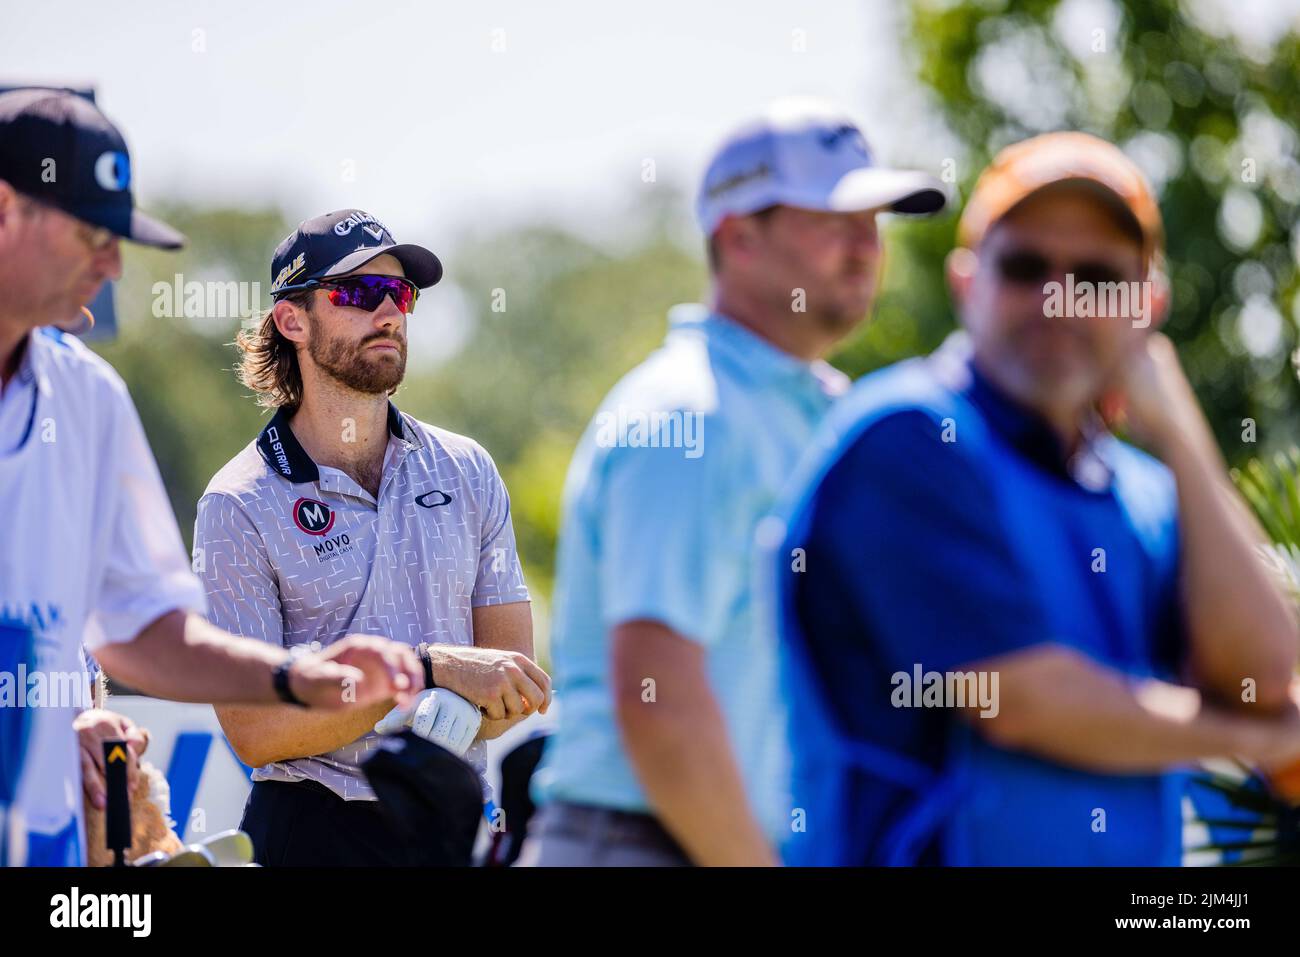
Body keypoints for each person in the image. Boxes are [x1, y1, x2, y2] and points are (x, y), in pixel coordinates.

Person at [767, 131, 1300, 865]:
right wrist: (1261, 743)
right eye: (1024, 266)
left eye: (1096, 276)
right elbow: (1019, 700)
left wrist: (1182, 439)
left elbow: (1265, 676)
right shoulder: (910, 439)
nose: (1059, 298)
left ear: (1149, 304)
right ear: (965, 282)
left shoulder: (1145, 493)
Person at [0, 89, 421, 867]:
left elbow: (144, 628)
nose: (114, 264)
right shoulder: (234, 489)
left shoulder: (90, 399)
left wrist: (303, 675)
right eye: (94, 232)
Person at [523, 97, 945, 866]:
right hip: (643, 844)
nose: (864, 246)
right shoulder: (690, 415)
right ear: (739, 238)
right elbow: (661, 701)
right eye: (832, 219)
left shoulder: (820, 412)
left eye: (873, 221)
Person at [192, 208, 550, 865]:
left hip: (451, 823)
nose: (387, 312)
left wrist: (430, 703)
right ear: (292, 321)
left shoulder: (467, 468)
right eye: (358, 293)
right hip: (315, 833)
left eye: (400, 294)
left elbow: (514, 684)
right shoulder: (236, 502)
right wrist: (426, 672)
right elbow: (256, 728)